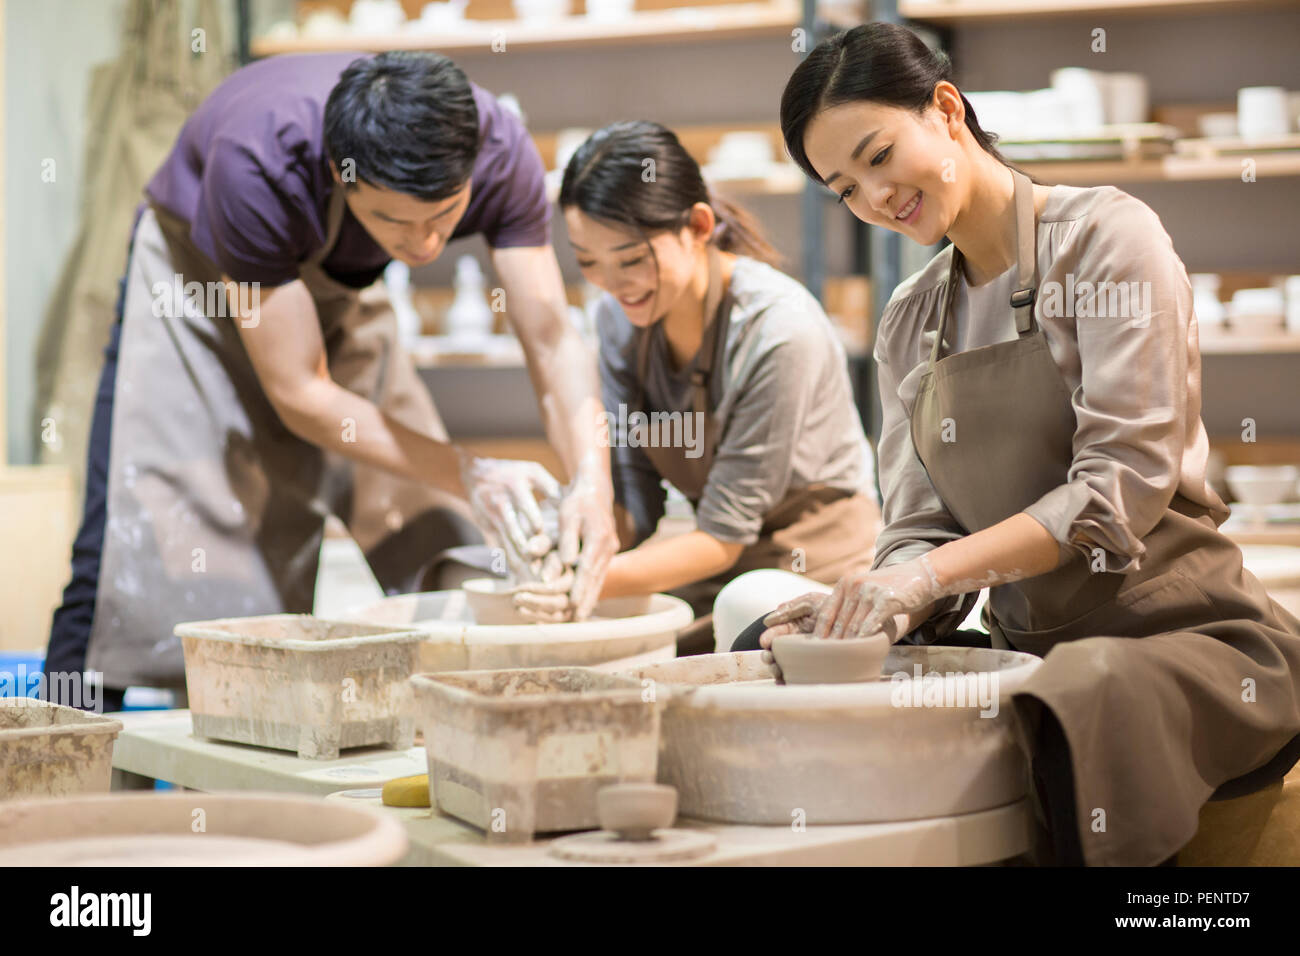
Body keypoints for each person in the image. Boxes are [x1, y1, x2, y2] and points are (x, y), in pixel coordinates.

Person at [755, 22, 1300, 865]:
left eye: (876, 154)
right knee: (770, 640)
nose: (872, 197)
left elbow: (1119, 488)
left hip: (1180, 643)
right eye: (843, 187)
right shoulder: (910, 318)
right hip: (1025, 648)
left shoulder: (1107, 239)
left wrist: (927, 576)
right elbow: (919, 524)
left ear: (944, 109)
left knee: (1082, 689)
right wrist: (871, 603)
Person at [44, 51, 617, 711]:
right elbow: (300, 393)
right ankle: (68, 793)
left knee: (452, 535)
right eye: (395, 223)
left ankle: (477, 748)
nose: (427, 245)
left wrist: (593, 483)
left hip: (335, 292)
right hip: (198, 288)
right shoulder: (260, 160)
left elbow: (549, 339)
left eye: (444, 216)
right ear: (341, 177)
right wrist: (469, 467)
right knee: (141, 552)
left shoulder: (498, 148)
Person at [513, 121, 880, 653]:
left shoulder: (777, 330)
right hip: (716, 567)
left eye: (632, 259)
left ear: (699, 226)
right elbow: (635, 499)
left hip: (813, 573)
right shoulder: (618, 323)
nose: (613, 285)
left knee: (712, 646)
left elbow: (723, 538)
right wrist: (571, 547)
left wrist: (584, 582)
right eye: (588, 262)